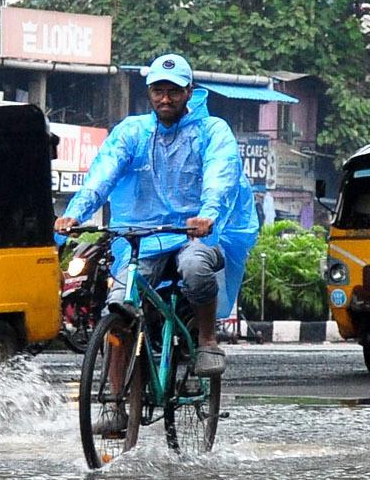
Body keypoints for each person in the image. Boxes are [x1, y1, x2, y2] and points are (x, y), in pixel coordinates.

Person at [56, 53, 242, 378]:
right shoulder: (133, 131)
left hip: (195, 233)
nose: (165, 98)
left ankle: (208, 340)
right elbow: (103, 173)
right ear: (149, 93)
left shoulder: (212, 130)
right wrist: (74, 214)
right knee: (117, 305)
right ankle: (115, 401)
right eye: (158, 91)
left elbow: (220, 174)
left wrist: (208, 214)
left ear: (189, 91)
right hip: (142, 238)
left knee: (196, 268)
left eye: (173, 91)